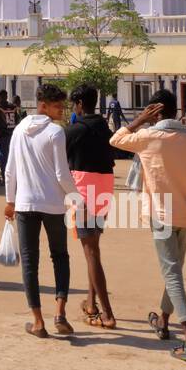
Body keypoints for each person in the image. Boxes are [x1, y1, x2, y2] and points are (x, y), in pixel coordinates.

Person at [110, 89, 186, 363]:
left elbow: (115, 139)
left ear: (155, 112)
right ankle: (163, 320)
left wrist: (138, 120)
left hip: (161, 215)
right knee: (175, 270)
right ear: (175, 110)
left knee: (172, 274)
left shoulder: (147, 137)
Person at [5, 84, 81, 338]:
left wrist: (10, 200)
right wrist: (76, 197)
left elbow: (9, 171)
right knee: (60, 256)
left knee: (30, 261)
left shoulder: (18, 131)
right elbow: (62, 173)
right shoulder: (55, 132)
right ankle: (60, 312)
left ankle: (38, 321)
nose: (62, 110)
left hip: (26, 204)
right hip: (53, 205)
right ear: (43, 105)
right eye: (58, 106)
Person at [66, 84, 117, 328]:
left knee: (91, 252)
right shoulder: (105, 128)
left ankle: (106, 313)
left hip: (84, 192)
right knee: (92, 249)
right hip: (104, 189)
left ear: (78, 104)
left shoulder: (73, 131)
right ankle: (91, 303)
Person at [0, 89, 18, 178]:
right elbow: (17, 120)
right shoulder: (13, 107)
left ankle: (4, 178)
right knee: (12, 157)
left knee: (3, 157)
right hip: (13, 135)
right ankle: (12, 176)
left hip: (3, 135)